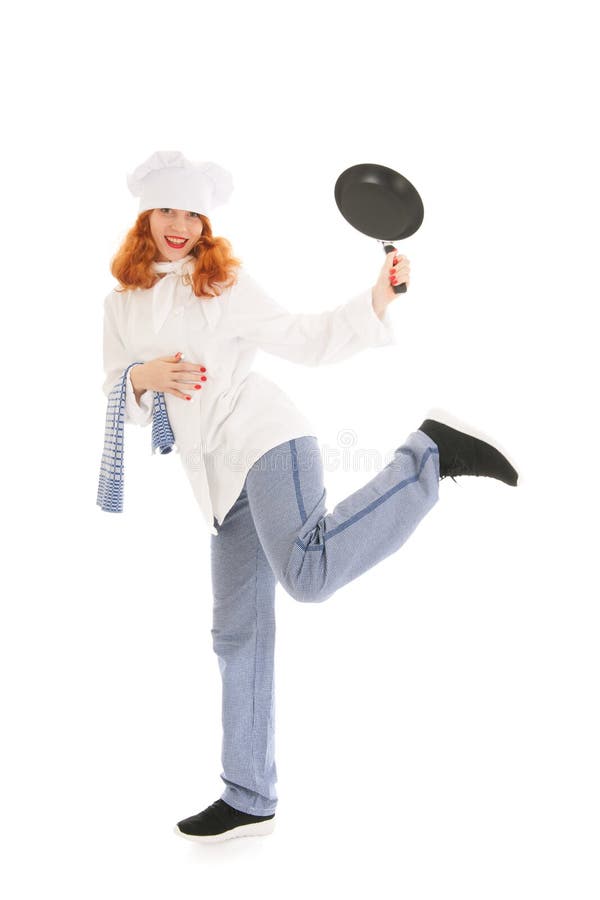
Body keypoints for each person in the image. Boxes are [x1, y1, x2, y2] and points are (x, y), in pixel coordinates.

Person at [99, 150, 518, 844]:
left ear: (205, 220)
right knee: (236, 632)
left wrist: (377, 298)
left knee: (309, 573)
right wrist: (143, 374)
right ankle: (249, 795)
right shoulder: (119, 305)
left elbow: (307, 339)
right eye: (167, 210)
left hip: (267, 436)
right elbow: (122, 398)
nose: (179, 225)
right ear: (147, 216)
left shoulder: (221, 283)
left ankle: (430, 455)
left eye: (190, 213)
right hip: (213, 480)